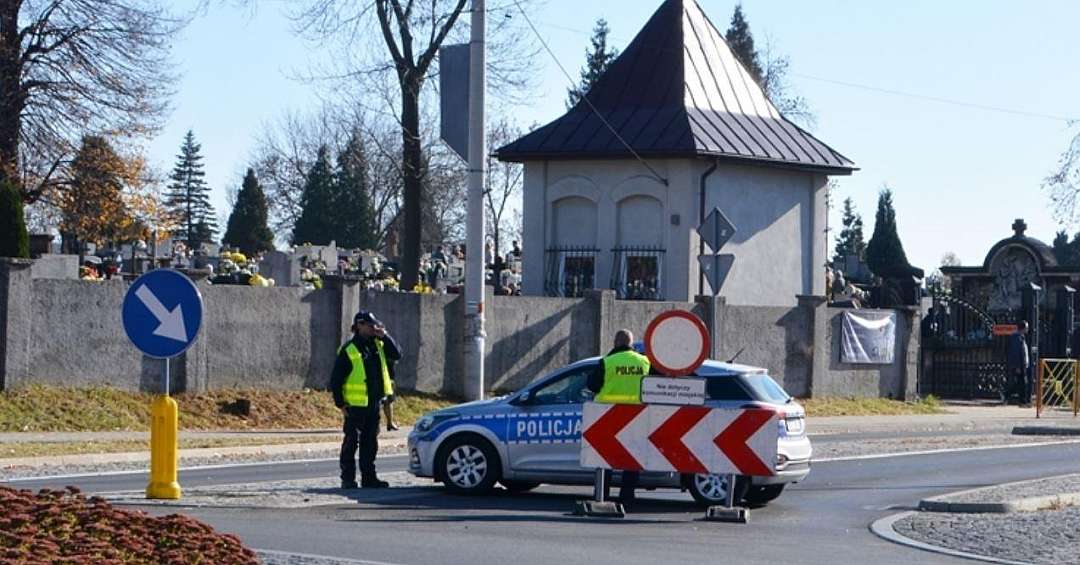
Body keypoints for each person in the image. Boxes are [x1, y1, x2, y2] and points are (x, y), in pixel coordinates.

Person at [330, 310, 403, 489]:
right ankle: (348, 479)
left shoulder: (378, 344)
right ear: (359, 325)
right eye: (370, 325)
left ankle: (369, 477)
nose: (373, 328)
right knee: (351, 441)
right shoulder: (349, 349)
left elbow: (397, 353)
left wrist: (385, 336)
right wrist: (340, 403)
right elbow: (336, 379)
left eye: (375, 325)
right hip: (355, 405)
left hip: (374, 402)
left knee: (370, 443)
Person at [587, 329, 651, 503]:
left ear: (615, 342)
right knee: (631, 458)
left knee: (604, 457)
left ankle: (602, 494)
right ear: (631, 344)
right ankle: (627, 495)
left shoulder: (607, 361)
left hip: (607, 415)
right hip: (636, 416)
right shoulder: (645, 362)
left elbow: (592, 385)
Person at [1005, 321, 1031, 406]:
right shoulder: (1017, 337)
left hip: (1022, 364)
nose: (1028, 329)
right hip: (1020, 364)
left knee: (1021, 383)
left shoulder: (1021, 337)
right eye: (1026, 327)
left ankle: (1009, 395)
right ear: (1023, 328)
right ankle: (1022, 401)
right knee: (1023, 383)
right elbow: (1016, 353)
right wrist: (1018, 366)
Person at [383, 360, 400, 432]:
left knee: (389, 400)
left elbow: (397, 354)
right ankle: (376, 426)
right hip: (378, 375)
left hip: (388, 376)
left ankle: (390, 422)